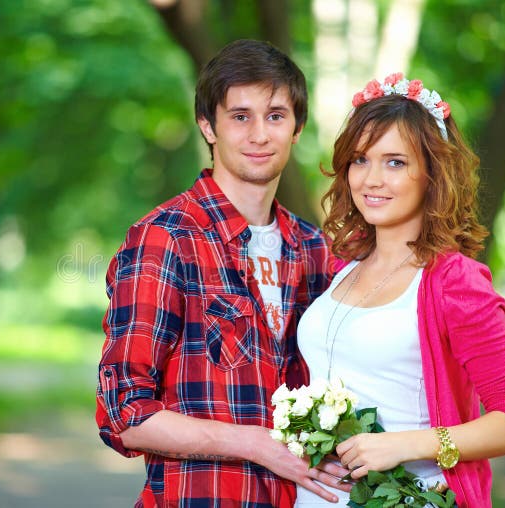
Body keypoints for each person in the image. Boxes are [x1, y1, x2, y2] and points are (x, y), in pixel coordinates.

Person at [96, 39, 342, 507]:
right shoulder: (165, 238)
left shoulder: (314, 249)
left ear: (297, 128)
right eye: (240, 116)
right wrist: (257, 444)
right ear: (208, 126)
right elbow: (124, 413)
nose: (259, 135)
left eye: (275, 116)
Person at [295, 73, 505, 507]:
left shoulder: (454, 281)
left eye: (395, 162)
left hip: (409, 497)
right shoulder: (340, 266)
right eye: (359, 159)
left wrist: (406, 444)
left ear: (431, 174)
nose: (371, 179)